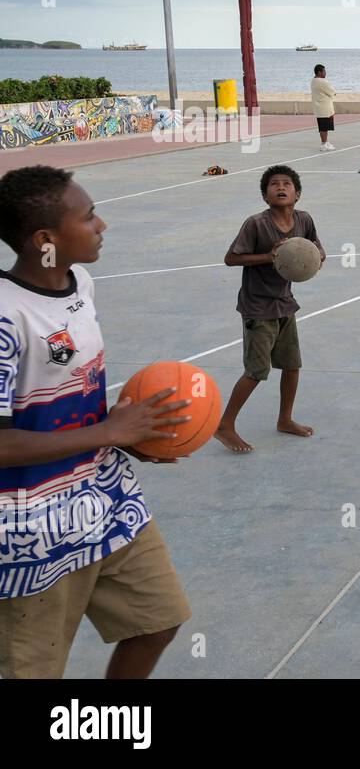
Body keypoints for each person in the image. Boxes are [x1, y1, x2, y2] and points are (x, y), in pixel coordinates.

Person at [0, 165, 192, 678]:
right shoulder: (5, 317)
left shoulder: (80, 282)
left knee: (158, 620)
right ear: (46, 239)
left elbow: (71, 392)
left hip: (107, 501)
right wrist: (108, 433)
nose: (102, 224)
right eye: (88, 217)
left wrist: (129, 431)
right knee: (33, 670)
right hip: (30, 527)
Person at [215, 165, 326, 454]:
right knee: (256, 371)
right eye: (273, 184)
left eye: (287, 184)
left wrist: (314, 258)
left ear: (297, 194)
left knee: (292, 365)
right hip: (257, 306)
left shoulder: (304, 220)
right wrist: (269, 256)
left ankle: (285, 419)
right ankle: (225, 425)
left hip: (284, 302)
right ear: (265, 196)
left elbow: (317, 249)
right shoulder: (256, 224)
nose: (280, 187)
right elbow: (231, 259)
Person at [311, 64, 337, 152]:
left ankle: (324, 142)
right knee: (324, 127)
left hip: (319, 108)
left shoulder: (313, 81)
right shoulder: (322, 81)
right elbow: (332, 91)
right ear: (319, 72)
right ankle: (324, 144)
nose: (325, 73)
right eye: (324, 71)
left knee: (322, 127)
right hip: (324, 108)